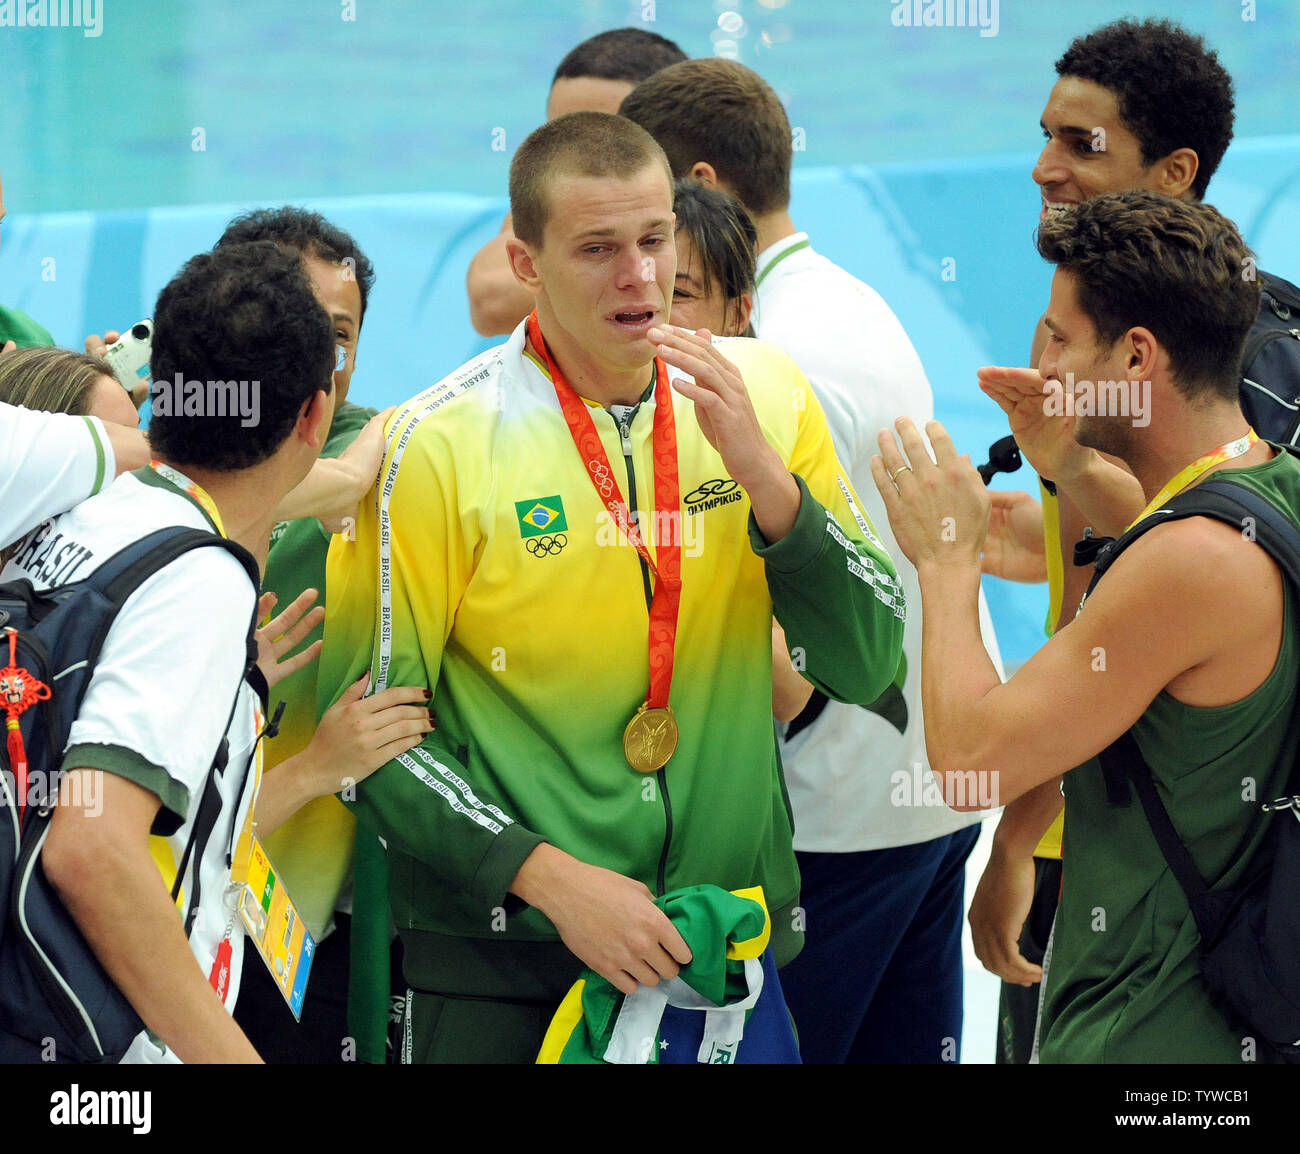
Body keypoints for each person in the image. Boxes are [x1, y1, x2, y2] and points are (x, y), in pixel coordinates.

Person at [317, 111, 906, 1064]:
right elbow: (373, 740)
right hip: (506, 968)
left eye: (655, 238)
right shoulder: (438, 445)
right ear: (525, 261)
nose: (640, 278)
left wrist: (770, 485)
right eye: (598, 249)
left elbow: (870, 657)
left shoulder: (767, 394)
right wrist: (547, 879)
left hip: (718, 955)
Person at [622, 56, 1004, 1064]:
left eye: (645, 208)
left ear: (697, 184)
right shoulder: (843, 300)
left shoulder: (762, 364)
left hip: (827, 825)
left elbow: (784, 621)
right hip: (914, 795)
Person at [873, 190, 1292, 1063]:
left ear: (1136, 355)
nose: (1044, 361)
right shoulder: (1266, 483)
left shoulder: (1192, 563)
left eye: (1061, 338)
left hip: (1159, 1033)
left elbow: (970, 764)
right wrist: (1066, 461)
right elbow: (1163, 541)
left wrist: (947, 563)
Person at [2, 240, 433, 1063]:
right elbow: (92, 850)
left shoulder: (80, 518)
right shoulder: (195, 576)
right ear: (313, 415)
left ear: (163, 388)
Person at [971, 17, 1249, 1063]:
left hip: (1123, 847)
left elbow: (1129, 607)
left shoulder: (1156, 361)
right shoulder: (1231, 331)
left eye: (1081, 145)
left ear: (1174, 171)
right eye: (1046, 134)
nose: (1045, 166)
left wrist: (1014, 834)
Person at [466, 26, 686, 337]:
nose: (577, 149)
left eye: (604, 133)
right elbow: (489, 303)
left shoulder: (720, 211)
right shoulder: (559, 201)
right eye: (562, 131)